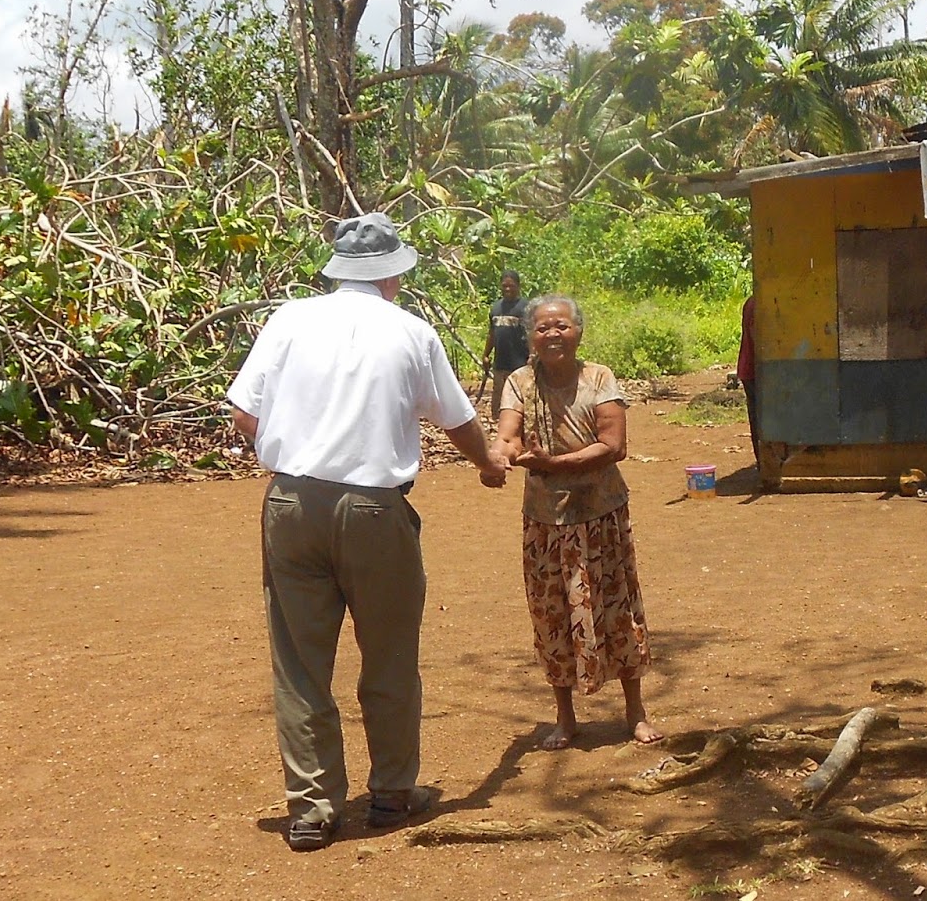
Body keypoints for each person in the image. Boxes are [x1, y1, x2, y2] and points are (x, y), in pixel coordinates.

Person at [227, 212, 510, 852]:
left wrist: (292, 451)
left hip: (292, 503)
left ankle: (312, 808)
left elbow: (245, 413)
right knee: (389, 654)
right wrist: (488, 463)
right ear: (393, 274)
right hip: (376, 509)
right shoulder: (411, 331)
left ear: (338, 270)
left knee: (300, 663)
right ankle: (390, 792)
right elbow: (456, 419)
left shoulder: (288, 320)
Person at [495, 294, 662, 751]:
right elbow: (508, 433)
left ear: (579, 332)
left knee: (618, 608)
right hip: (545, 521)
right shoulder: (520, 383)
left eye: (562, 326)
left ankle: (636, 712)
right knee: (551, 614)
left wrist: (553, 463)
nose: (553, 334)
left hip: (600, 514)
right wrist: (500, 457)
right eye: (543, 328)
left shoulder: (599, 378)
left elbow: (614, 445)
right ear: (530, 337)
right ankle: (565, 718)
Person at [481, 270, 530, 414]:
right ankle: (497, 421)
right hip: (500, 363)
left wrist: (533, 356)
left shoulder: (526, 308)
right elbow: (492, 333)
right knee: (499, 395)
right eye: (504, 286)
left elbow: (532, 334)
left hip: (520, 363)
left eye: (511, 286)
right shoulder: (496, 308)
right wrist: (486, 354)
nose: (507, 289)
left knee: (520, 396)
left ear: (518, 286)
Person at [737, 294, 759, 467]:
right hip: (754, 370)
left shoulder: (751, 302)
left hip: (749, 368)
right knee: (760, 419)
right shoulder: (759, 304)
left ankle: (763, 463)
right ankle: (764, 464)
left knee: (757, 418)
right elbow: (756, 336)